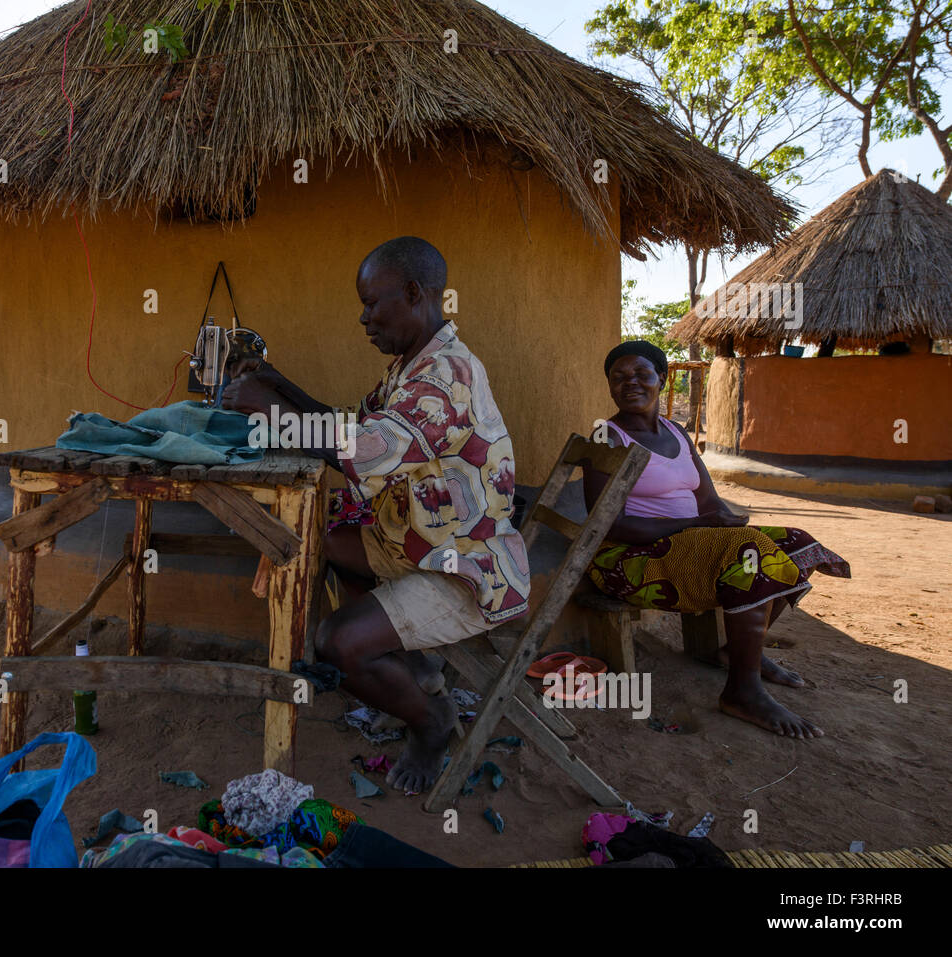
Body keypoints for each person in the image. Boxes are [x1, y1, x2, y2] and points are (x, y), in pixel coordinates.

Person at [221, 237, 529, 792]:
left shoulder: (445, 377)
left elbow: (365, 451)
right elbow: (352, 426)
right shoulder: (412, 366)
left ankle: (431, 723)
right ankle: (411, 664)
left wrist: (270, 409)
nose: (363, 319)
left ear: (413, 293)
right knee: (317, 541)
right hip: (418, 538)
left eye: (371, 303)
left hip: (464, 567)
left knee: (336, 643)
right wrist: (276, 383)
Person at [583, 340, 851, 738]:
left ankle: (742, 654)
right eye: (619, 378)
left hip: (689, 546)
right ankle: (742, 691)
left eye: (641, 374)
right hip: (630, 558)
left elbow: (706, 501)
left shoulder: (676, 432)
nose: (630, 384)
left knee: (795, 542)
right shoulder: (608, 438)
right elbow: (610, 526)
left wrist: (722, 520)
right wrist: (697, 527)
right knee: (751, 552)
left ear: (662, 377)